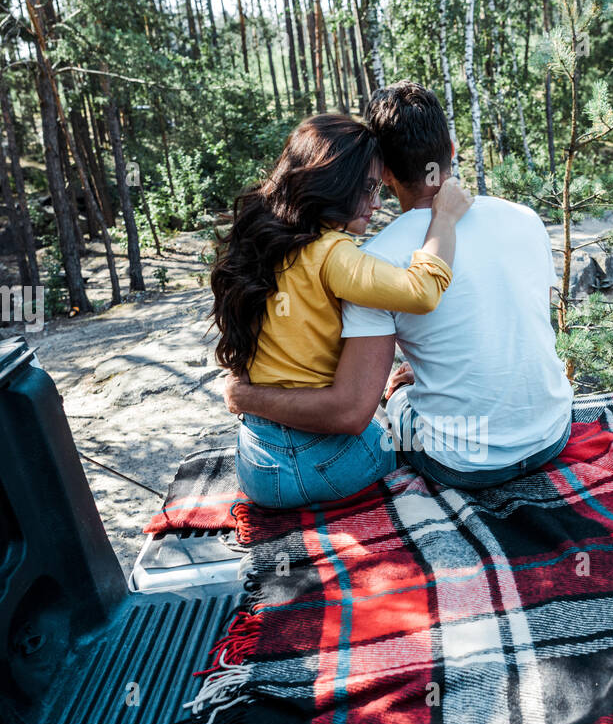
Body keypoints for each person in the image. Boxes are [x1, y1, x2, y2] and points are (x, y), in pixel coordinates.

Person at [223, 82, 573, 492]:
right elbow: (516, 327)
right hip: (552, 434)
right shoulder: (525, 218)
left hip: (464, 463)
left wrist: (245, 394)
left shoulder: (374, 256)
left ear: (383, 172)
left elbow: (352, 408)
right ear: (453, 149)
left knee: (398, 400)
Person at [211, 111, 472, 508]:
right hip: (323, 466)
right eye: (367, 188)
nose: (377, 201)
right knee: (393, 436)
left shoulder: (264, 245)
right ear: (333, 184)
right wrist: (445, 218)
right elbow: (421, 292)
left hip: (258, 466)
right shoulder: (333, 254)